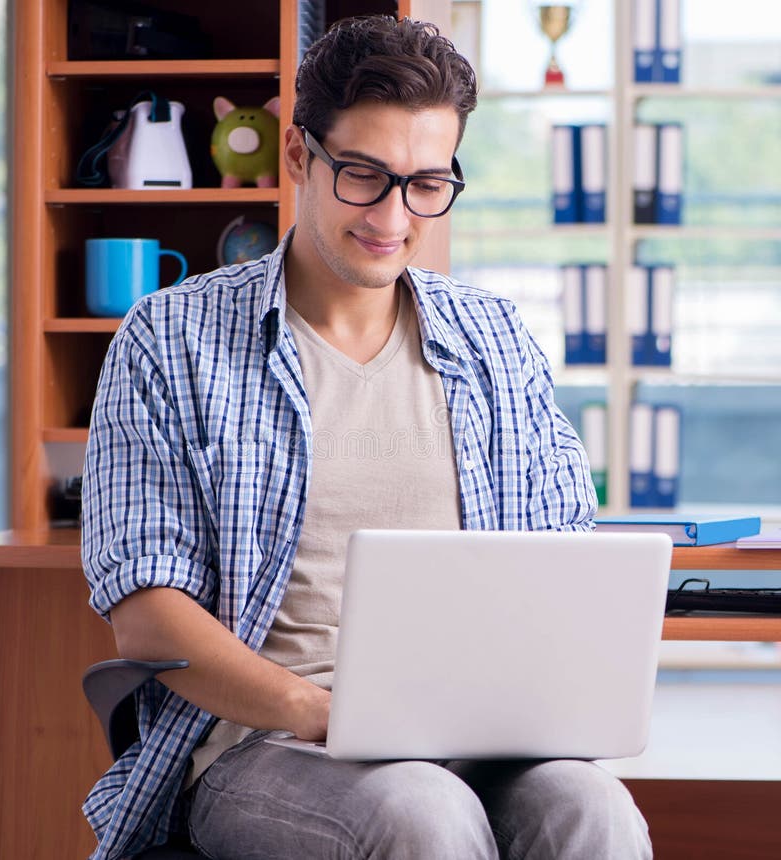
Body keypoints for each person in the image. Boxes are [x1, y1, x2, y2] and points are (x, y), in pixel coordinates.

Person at [81, 14, 651, 860]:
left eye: (426, 184)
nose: (394, 215)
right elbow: (147, 616)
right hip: (267, 743)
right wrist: (323, 712)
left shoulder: (494, 340)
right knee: (419, 810)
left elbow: (563, 558)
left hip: (480, 736)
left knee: (591, 808)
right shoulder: (172, 338)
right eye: (364, 176)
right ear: (299, 156)